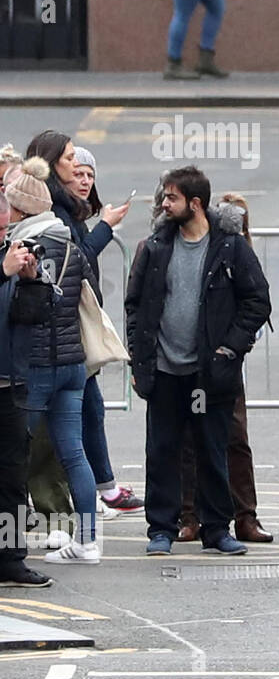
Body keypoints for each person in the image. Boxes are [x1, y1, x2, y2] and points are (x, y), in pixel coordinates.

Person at [125, 166, 271, 558]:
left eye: (171, 198)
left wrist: (229, 349)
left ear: (195, 203)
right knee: (162, 450)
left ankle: (218, 529)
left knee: (212, 448)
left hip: (208, 373)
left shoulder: (229, 246)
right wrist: (140, 360)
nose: (163, 204)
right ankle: (161, 528)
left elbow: (258, 301)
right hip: (165, 371)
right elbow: (135, 305)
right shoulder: (156, 246)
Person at [28, 137, 138, 516]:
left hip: (67, 345)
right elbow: (79, 261)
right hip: (57, 345)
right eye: (72, 161)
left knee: (75, 429)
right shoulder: (53, 219)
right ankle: (67, 516)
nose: (80, 171)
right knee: (44, 437)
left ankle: (88, 508)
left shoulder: (63, 213)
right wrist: (105, 226)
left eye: (88, 170)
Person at [4, 159, 100, 564]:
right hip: (73, 363)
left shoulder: (24, 248)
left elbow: (21, 310)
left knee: (12, 453)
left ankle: (11, 544)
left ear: (21, 210)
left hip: (35, 364)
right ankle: (88, 542)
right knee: (74, 453)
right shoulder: (72, 246)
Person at [175, 194, 274, 545]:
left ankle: (244, 516)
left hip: (227, 365)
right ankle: (191, 516)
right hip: (193, 362)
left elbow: (256, 305)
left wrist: (231, 345)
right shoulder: (203, 248)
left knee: (234, 438)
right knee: (192, 438)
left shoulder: (237, 253)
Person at [0, 203, 45, 585]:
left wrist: (31, 281)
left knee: (12, 477)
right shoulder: (4, 265)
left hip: (9, 385)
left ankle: (11, 559)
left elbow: (34, 317)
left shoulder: (14, 256)